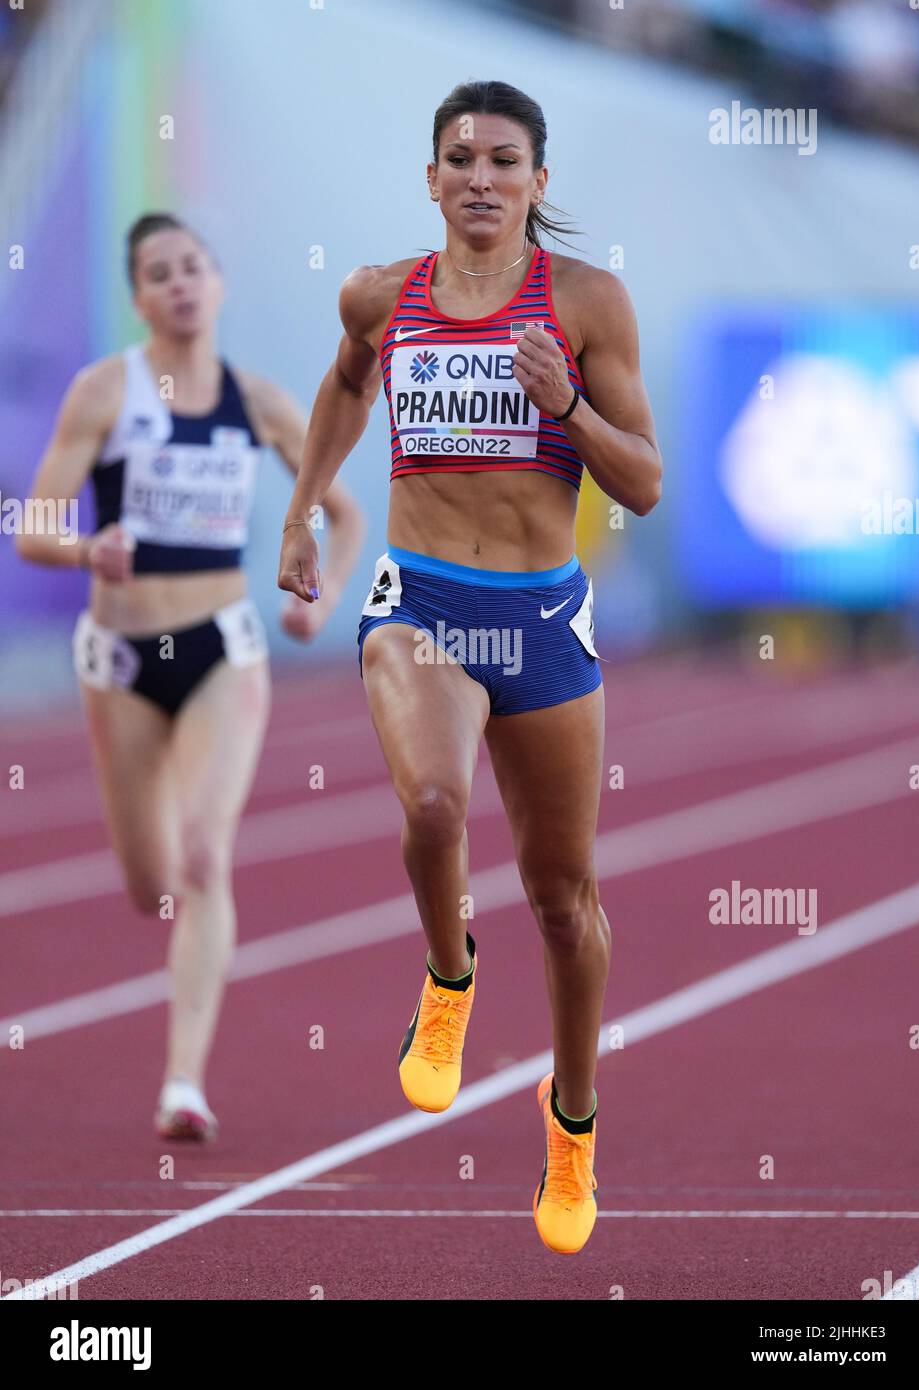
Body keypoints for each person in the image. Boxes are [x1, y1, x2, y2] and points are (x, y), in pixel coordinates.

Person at [278, 80, 661, 1255]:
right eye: (461, 158)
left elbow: (643, 481)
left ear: (539, 183)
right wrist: (302, 508)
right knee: (434, 803)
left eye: (505, 159)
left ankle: (572, 1126)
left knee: (563, 899)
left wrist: (570, 413)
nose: (482, 177)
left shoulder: (587, 303)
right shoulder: (381, 294)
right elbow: (350, 380)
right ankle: (448, 981)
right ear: (430, 178)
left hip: (540, 613)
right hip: (423, 599)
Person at [16, 213, 365, 1142]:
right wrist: (89, 546)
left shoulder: (258, 403)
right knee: (151, 882)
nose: (179, 283)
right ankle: (177, 1022)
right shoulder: (105, 392)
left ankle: (184, 1085)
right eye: (159, 273)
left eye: (192, 267)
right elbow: (32, 528)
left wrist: (318, 601)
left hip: (221, 647)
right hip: (122, 662)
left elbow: (345, 513)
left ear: (217, 283)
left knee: (206, 857)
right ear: (138, 296)